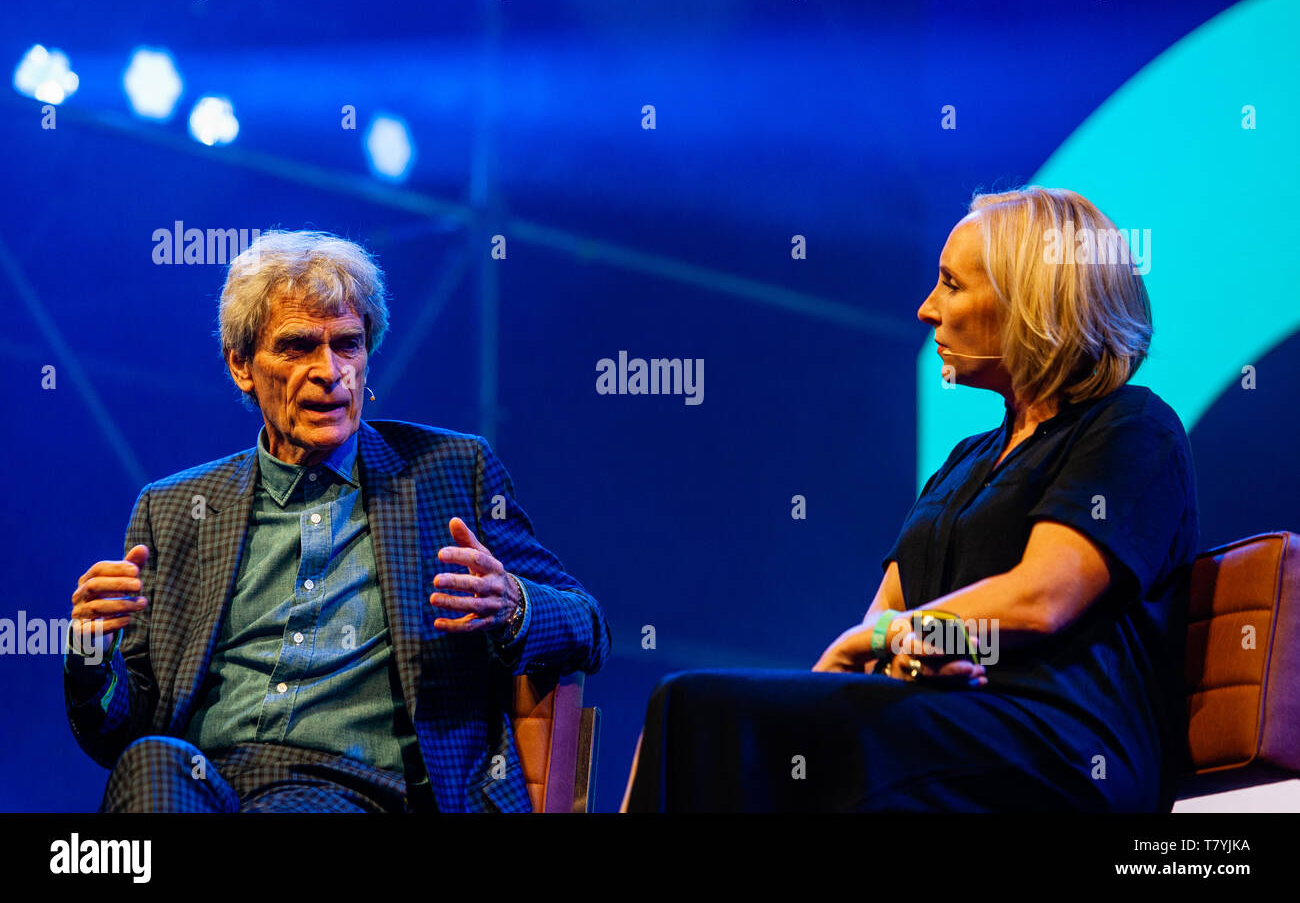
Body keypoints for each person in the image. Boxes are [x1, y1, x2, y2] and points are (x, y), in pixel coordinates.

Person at [622, 186, 1199, 812]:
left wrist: (888, 640)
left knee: (716, 720)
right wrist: (899, 649)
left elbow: (1042, 601)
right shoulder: (966, 460)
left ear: (1032, 304)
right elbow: (884, 620)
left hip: (1057, 747)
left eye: (952, 285)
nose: (927, 310)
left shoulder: (1131, 428)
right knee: (684, 704)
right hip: (942, 718)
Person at [65, 230, 611, 812]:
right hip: (201, 789)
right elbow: (115, 734)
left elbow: (589, 626)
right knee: (149, 763)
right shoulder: (173, 509)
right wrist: (91, 652)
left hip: (361, 793)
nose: (330, 371)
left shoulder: (450, 473)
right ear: (241, 365)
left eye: (347, 345)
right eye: (298, 347)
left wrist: (511, 604)